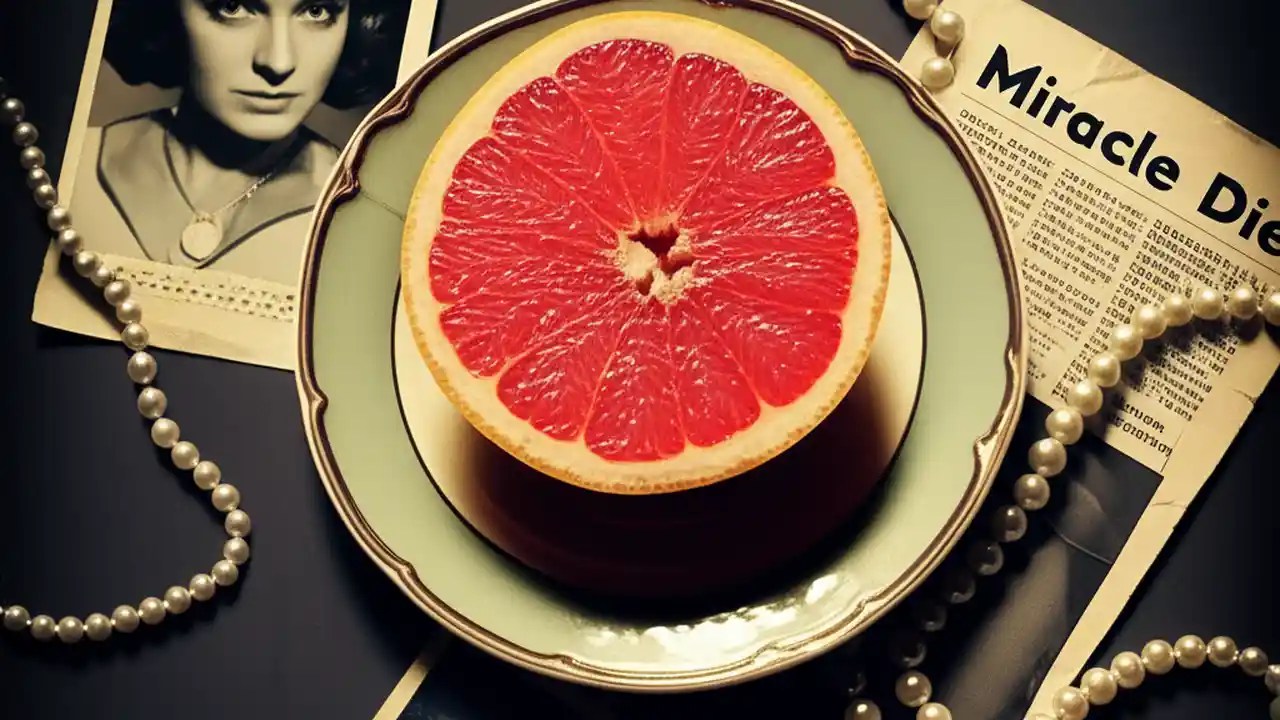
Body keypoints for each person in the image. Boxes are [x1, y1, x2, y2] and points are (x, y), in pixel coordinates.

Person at [71, 0, 405, 286]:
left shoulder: (367, 229)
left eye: (316, 11)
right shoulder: (66, 169)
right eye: (232, 6)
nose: (278, 61)